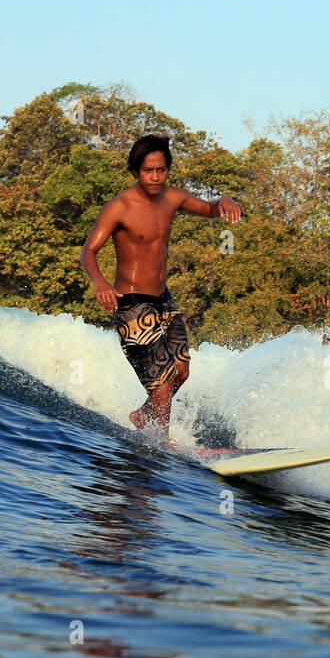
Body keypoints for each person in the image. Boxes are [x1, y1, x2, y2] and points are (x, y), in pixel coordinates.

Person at [79, 134, 241, 438]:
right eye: (147, 170)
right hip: (130, 303)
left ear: (168, 169)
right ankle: (160, 440)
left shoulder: (173, 198)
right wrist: (99, 282)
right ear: (136, 170)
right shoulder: (119, 207)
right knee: (162, 382)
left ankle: (143, 415)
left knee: (181, 371)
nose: (155, 177)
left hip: (162, 301)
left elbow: (209, 209)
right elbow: (87, 251)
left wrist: (224, 201)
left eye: (161, 170)